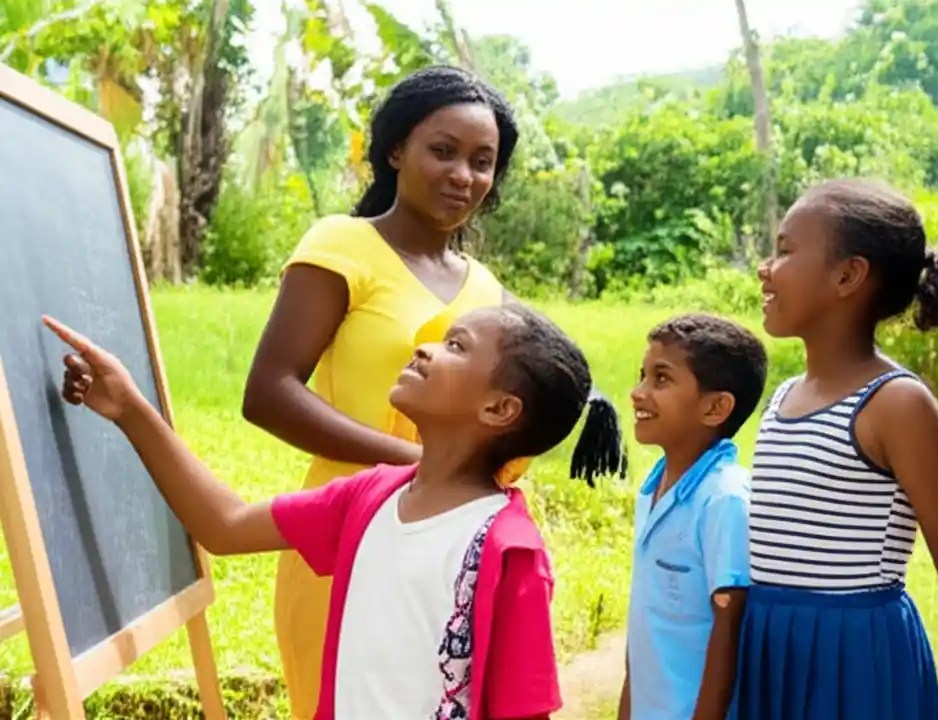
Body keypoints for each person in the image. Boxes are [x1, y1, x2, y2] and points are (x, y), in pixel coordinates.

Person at [45, 304, 622, 720]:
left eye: (456, 347)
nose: (425, 348)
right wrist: (129, 409)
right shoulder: (368, 497)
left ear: (499, 408)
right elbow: (224, 526)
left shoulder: (508, 550)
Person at [239, 66, 525, 717]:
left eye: (483, 162)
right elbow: (270, 392)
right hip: (343, 532)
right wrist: (418, 468)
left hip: (442, 556)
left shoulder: (486, 289)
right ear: (397, 149)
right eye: (443, 150)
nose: (463, 176)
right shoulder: (344, 245)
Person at [735, 179, 938, 720]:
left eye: (784, 251)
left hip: (855, 664)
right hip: (773, 649)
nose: (765, 268)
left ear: (848, 275)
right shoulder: (782, 399)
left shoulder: (897, 405)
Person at [617, 314, 768, 720]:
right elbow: (645, 630)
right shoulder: (652, 489)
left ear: (716, 407)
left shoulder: (724, 499)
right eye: (642, 376)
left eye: (661, 379)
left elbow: (729, 628)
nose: (637, 392)